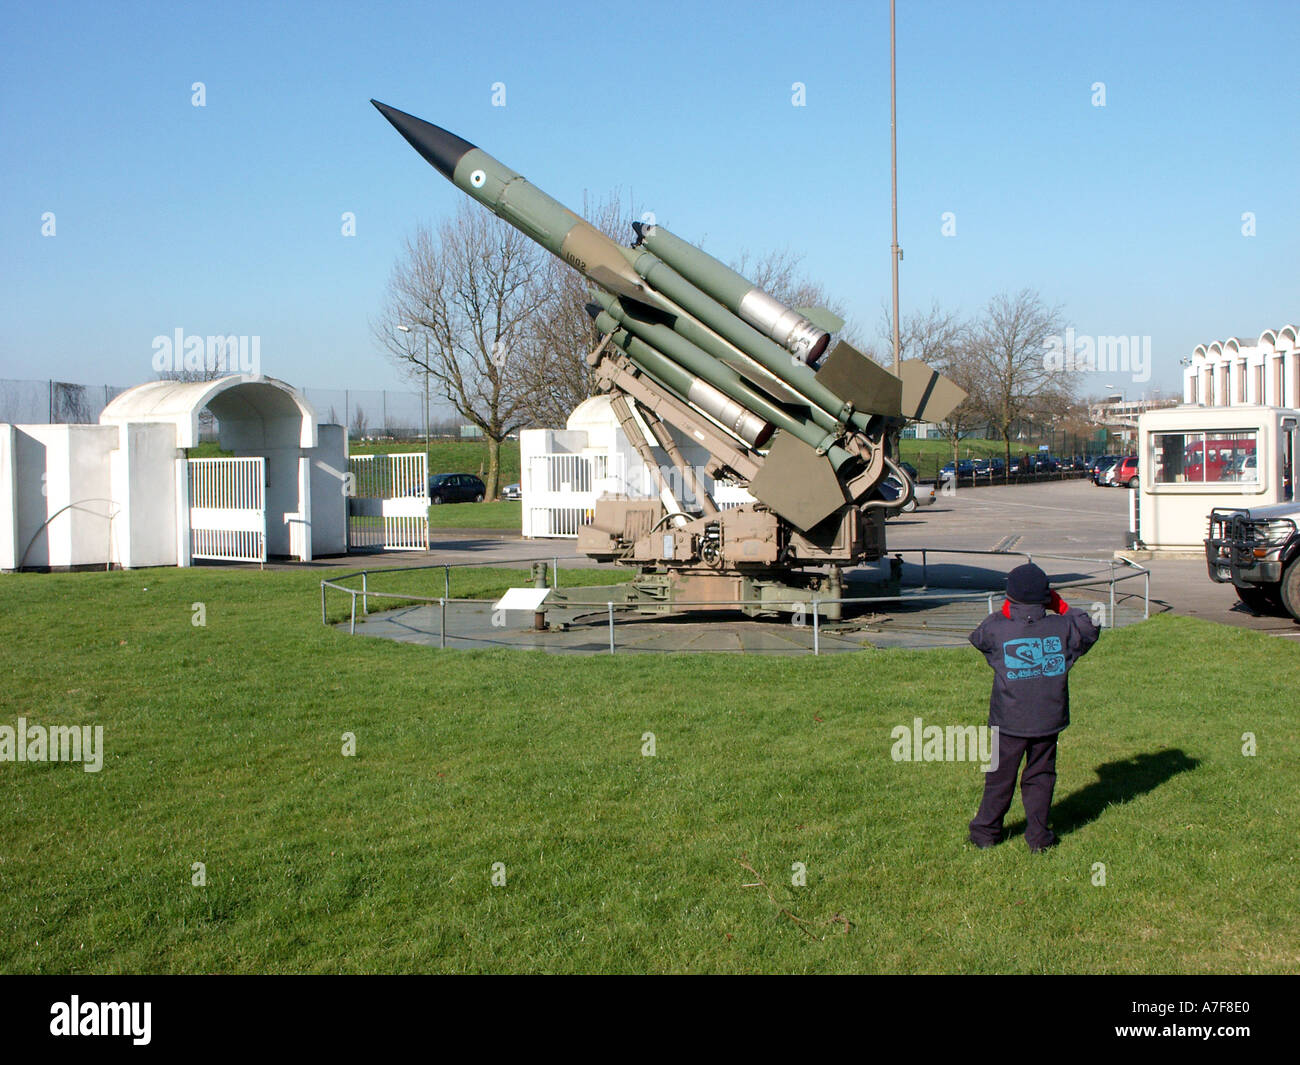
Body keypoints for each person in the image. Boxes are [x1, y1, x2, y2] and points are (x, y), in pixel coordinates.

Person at [967, 562, 1100, 852]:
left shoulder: (997, 628)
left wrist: (1008, 614)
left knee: (1000, 777)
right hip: (1047, 718)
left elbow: (978, 638)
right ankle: (1038, 837)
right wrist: (1060, 606)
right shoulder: (1063, 627)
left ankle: (985, 833)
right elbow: (1089, 627)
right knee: (1041, 775)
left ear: (1009, 597)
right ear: (1047, 597)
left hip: (1009, 720)